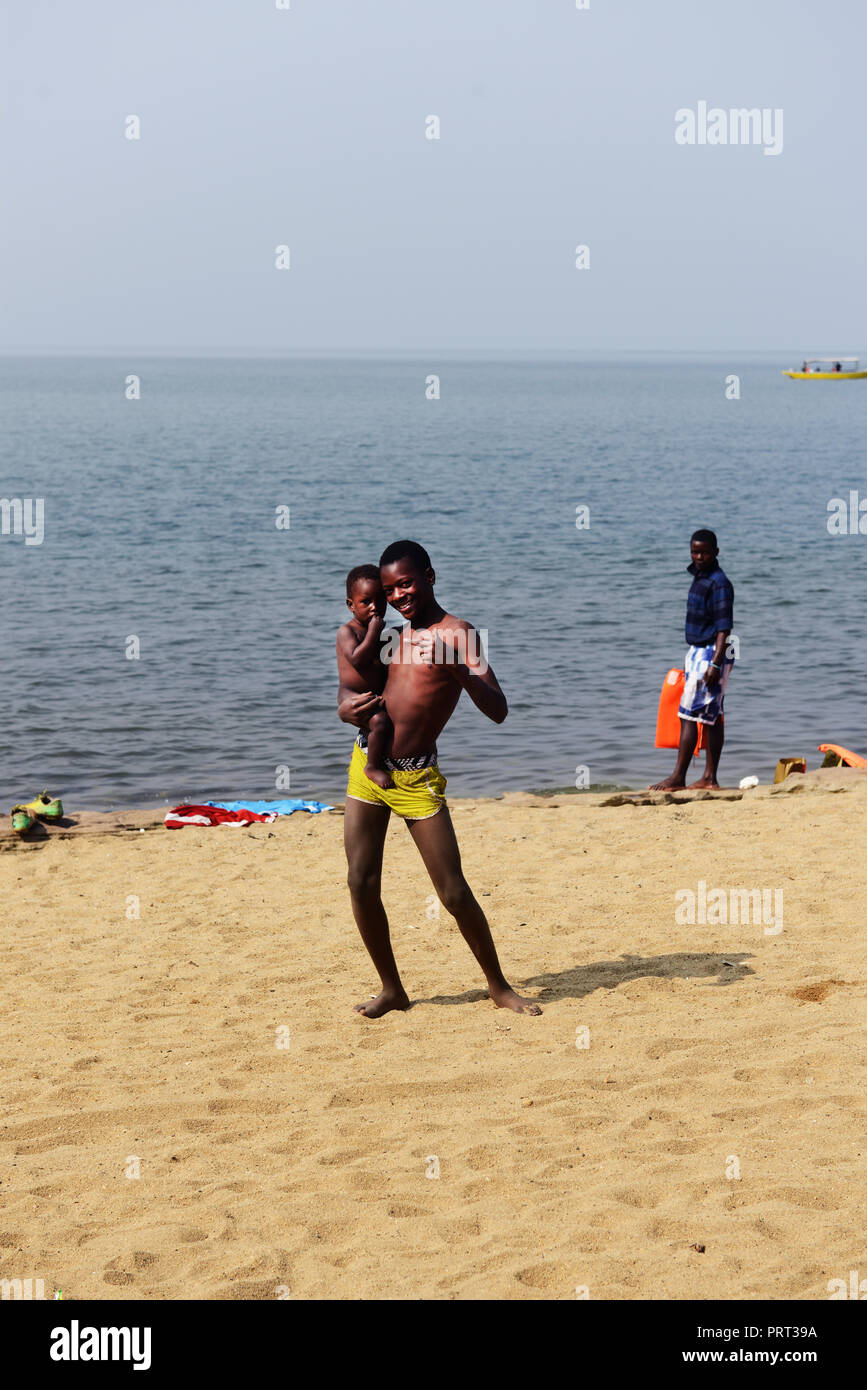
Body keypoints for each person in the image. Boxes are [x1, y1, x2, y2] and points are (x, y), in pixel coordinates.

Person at [338, 539, 541, 1019]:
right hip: (368, 765)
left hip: (416, 778)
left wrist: (460, 672)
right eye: (389, 590)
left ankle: (498, 986)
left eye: (405, 583)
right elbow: (357, 690)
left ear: (430, 576)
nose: (398, 596)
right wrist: (346, 709)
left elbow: (499, 710)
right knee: (360, 881)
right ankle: (392, 989)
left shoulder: (460, 634)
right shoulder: (388, 634)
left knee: (452, 889)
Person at [650, 529, 734, 790]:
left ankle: (679, 777)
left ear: (716, 552)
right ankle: (709, 778)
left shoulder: (719, 583)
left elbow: (724, 628)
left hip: (710, 652)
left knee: (688, 715)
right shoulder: (700, 577)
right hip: (699, 651)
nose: (699, 556)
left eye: (704, 552)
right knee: (712, 715)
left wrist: (715, 664)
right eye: (694, 552)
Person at [336, 565, 394, 790]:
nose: (375, 607)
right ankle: (372, 766)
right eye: (366, 602)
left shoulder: (382, 633)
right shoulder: (347, 632)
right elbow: (358, 660)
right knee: (379, 721)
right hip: (351, 694)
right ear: (350, 604)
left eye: (380, 600)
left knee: (381, 720)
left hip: (371, 695)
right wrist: (373, 632)